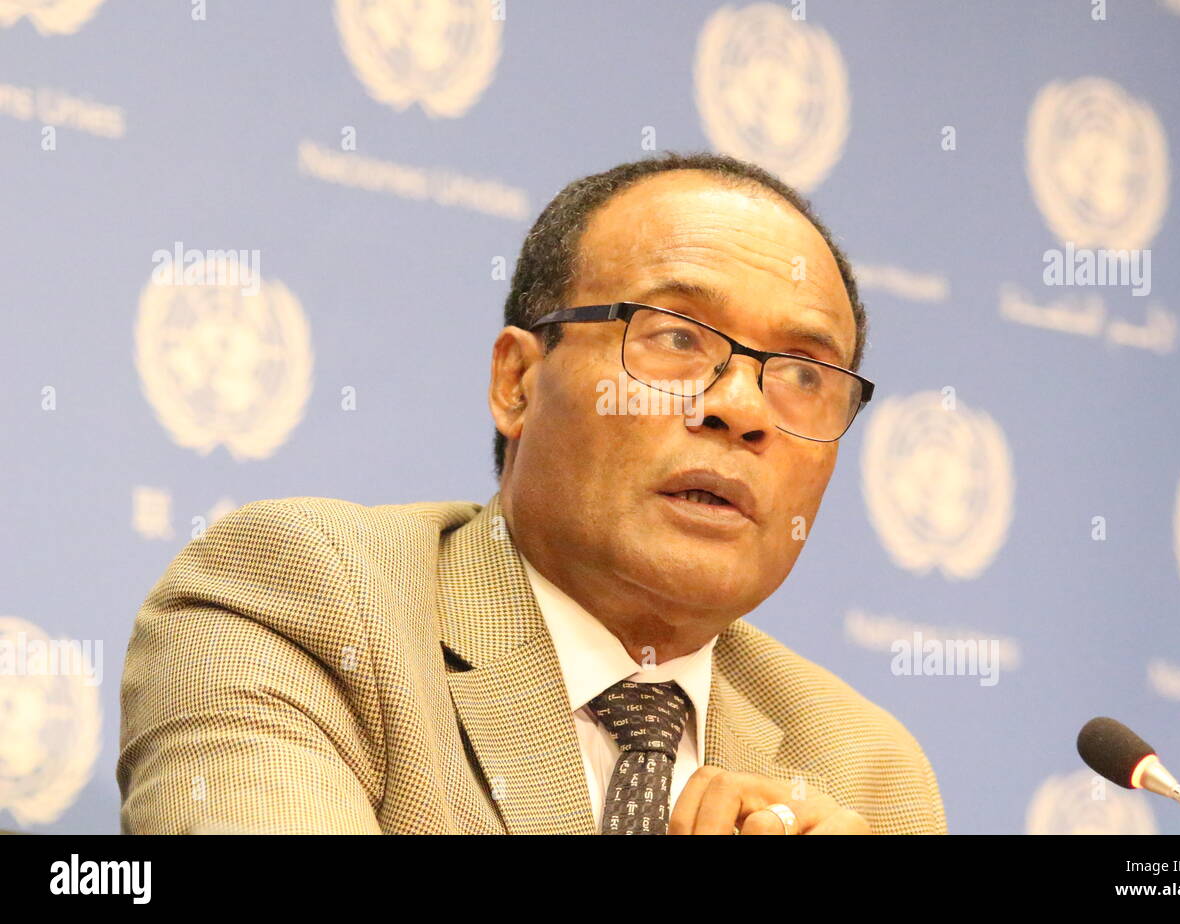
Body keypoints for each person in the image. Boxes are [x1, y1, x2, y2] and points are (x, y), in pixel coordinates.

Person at [117, 151, 947, 835]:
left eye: (804, 373)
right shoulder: (304, 601)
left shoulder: (863, 768)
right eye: (674, 338)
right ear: (517, 380)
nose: (740, 408)